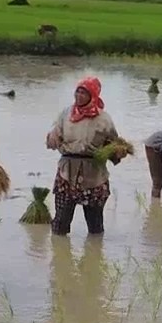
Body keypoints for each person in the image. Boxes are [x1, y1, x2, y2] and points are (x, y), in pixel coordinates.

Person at [45, 77, 121, 236]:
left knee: (95, 225)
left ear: (93, 95)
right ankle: (60, 256)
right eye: (77, 92)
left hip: (94, 174)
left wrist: (117, 152)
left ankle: (95, 253)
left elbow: (115, 144)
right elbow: (54, 135)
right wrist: (52, 138)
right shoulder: (66, 113)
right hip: (67, 172)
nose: (79, 96)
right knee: (60, 222)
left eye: (83, 93)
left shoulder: (103, 119)